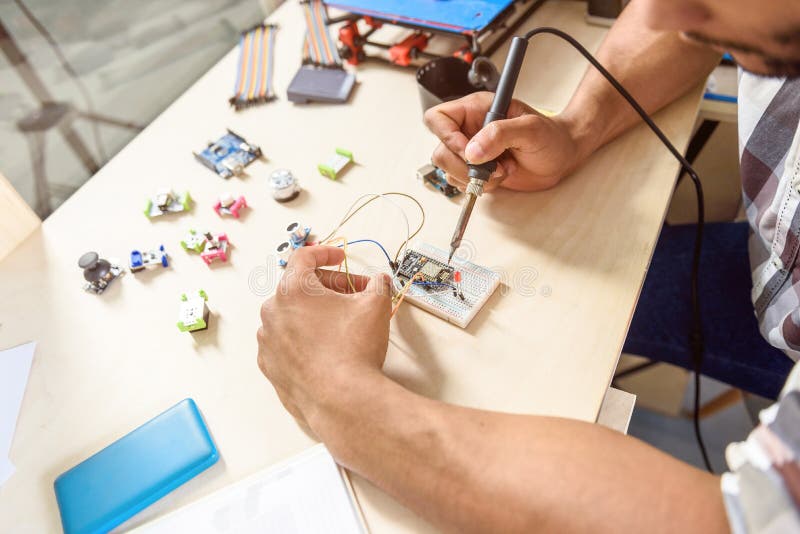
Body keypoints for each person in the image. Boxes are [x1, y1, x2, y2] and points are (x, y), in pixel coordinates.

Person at [257, 0, 800, 531]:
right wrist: (577, 128)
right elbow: (683, 22)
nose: (654, 15)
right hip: (776, 264)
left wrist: (337, 396)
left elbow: (738, 519)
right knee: (604, 294)